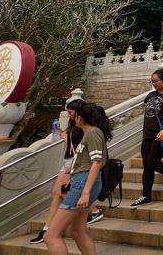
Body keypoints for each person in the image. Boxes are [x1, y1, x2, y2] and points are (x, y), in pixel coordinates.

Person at [30, 100, 103, 244]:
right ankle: (48, 227)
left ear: (79, 113)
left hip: (76, 166)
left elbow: (93, 158)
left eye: (71, 112)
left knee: (60, 194)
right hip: (72, 164)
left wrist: (86, 191)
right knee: (58, 194)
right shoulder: (77, 127)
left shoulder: (90, 130)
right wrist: (65, 136)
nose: (69, 115)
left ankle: (48, 228)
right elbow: (75, 145)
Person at [44, 102, 111, 255]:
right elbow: (86, 161)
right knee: (77, 231)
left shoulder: (93, 132)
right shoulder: (89, 133)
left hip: (83, 184)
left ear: (81, 117)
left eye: (75, 115)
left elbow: (96, 162)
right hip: (81, 181)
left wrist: (85, 192)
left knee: (51, 236)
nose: (73, 118)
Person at [130, 69, 163, 208]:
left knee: (152, 163)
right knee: (147, 166)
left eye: (155, 81)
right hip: (147, 135)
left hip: (160, 135)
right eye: (151, 81)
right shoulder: (150, 95)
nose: (153, 84)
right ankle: (146, 195)